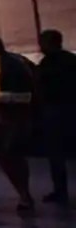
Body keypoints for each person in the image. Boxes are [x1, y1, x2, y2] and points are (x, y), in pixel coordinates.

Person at [0, 34, 37, 212]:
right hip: (23, 113)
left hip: (5, 116)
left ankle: (24, 195)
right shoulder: (18, 59)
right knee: (15, 155)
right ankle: (24, 194)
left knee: (7, 155)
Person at [38, 30, 75, 205]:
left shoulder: (47, 63)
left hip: (55, 109)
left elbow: (40, 86)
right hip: (69, 108)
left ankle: (61, 191)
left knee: (56, 153)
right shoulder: (71, 60)